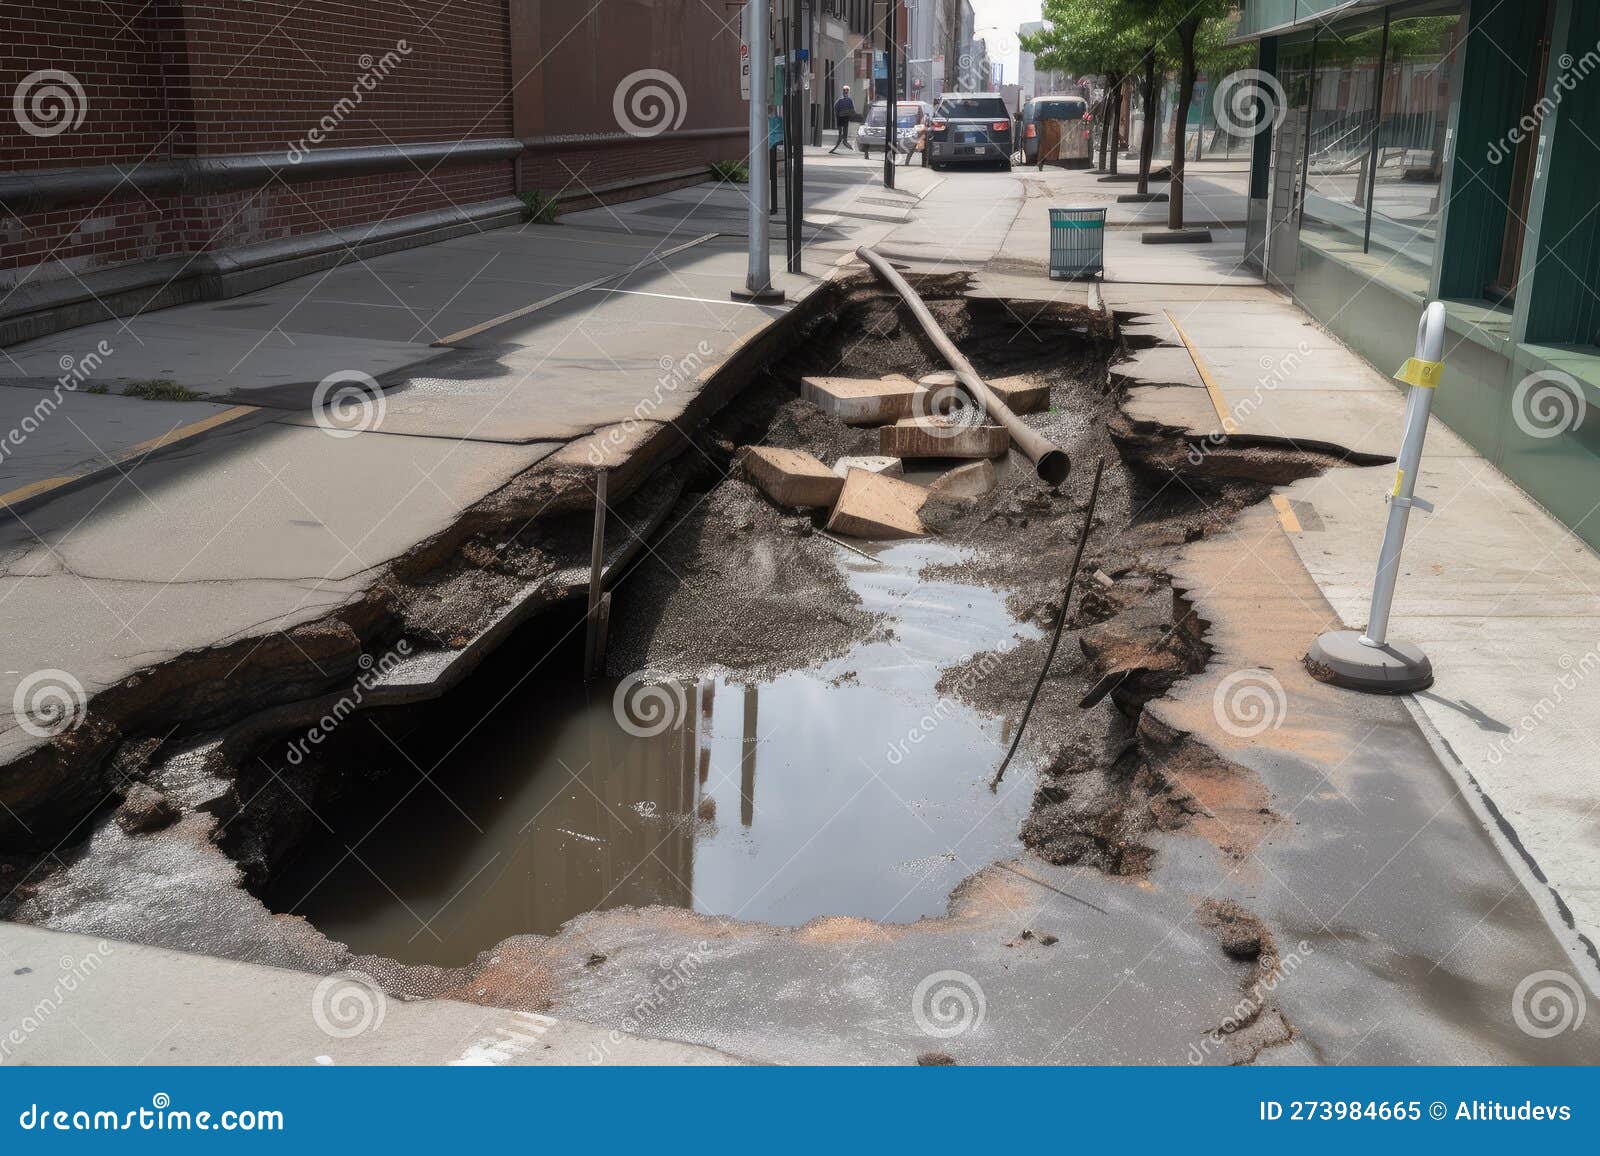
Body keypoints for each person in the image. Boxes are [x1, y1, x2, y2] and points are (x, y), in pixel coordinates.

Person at [830, 87, 855, 153]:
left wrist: (850, 115)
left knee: (843, 135)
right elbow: (836, 109)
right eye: (844, 92)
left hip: (845, 119)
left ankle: (843, 145)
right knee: (840, 135)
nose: (845, 93)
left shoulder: (848, 100)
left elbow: (852, 110)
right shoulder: (840, 101)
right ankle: (837, 147)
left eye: (846, 92)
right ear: (843, 92)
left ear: (848, 92)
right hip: (841, 119)